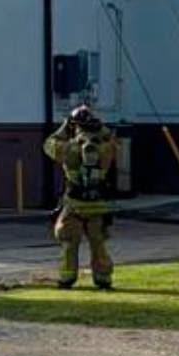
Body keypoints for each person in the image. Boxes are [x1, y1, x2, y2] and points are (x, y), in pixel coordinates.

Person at [43, 104, 119, 290]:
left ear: (76, 127)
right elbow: (112, 140)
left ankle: (67, 278)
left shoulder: (70, 149)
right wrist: (101, 127)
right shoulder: (106, 149)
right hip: (98, 205)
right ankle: (103, 278)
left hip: (74, 204)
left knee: (69, 243)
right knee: (98, 244)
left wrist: (65, 125)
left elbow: (49, 144)